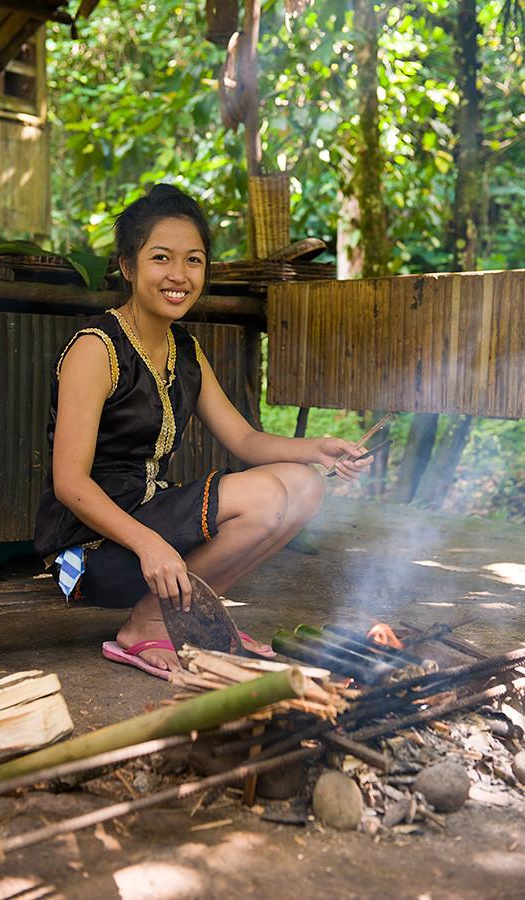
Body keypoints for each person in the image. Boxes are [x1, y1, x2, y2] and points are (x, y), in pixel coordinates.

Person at [34, 184, 372, 678]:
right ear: (128, 266)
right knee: (264, 498)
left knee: (305, 485)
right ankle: (149, 622)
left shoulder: (184, 349)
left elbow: (244, 440)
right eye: (161, 258)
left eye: (193, 260)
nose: (179, 275)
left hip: (152, 518)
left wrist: (316, 449)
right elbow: (69, 483)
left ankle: (191, 617)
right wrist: (148, 544)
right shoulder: (96, 347)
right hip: (88, 552)